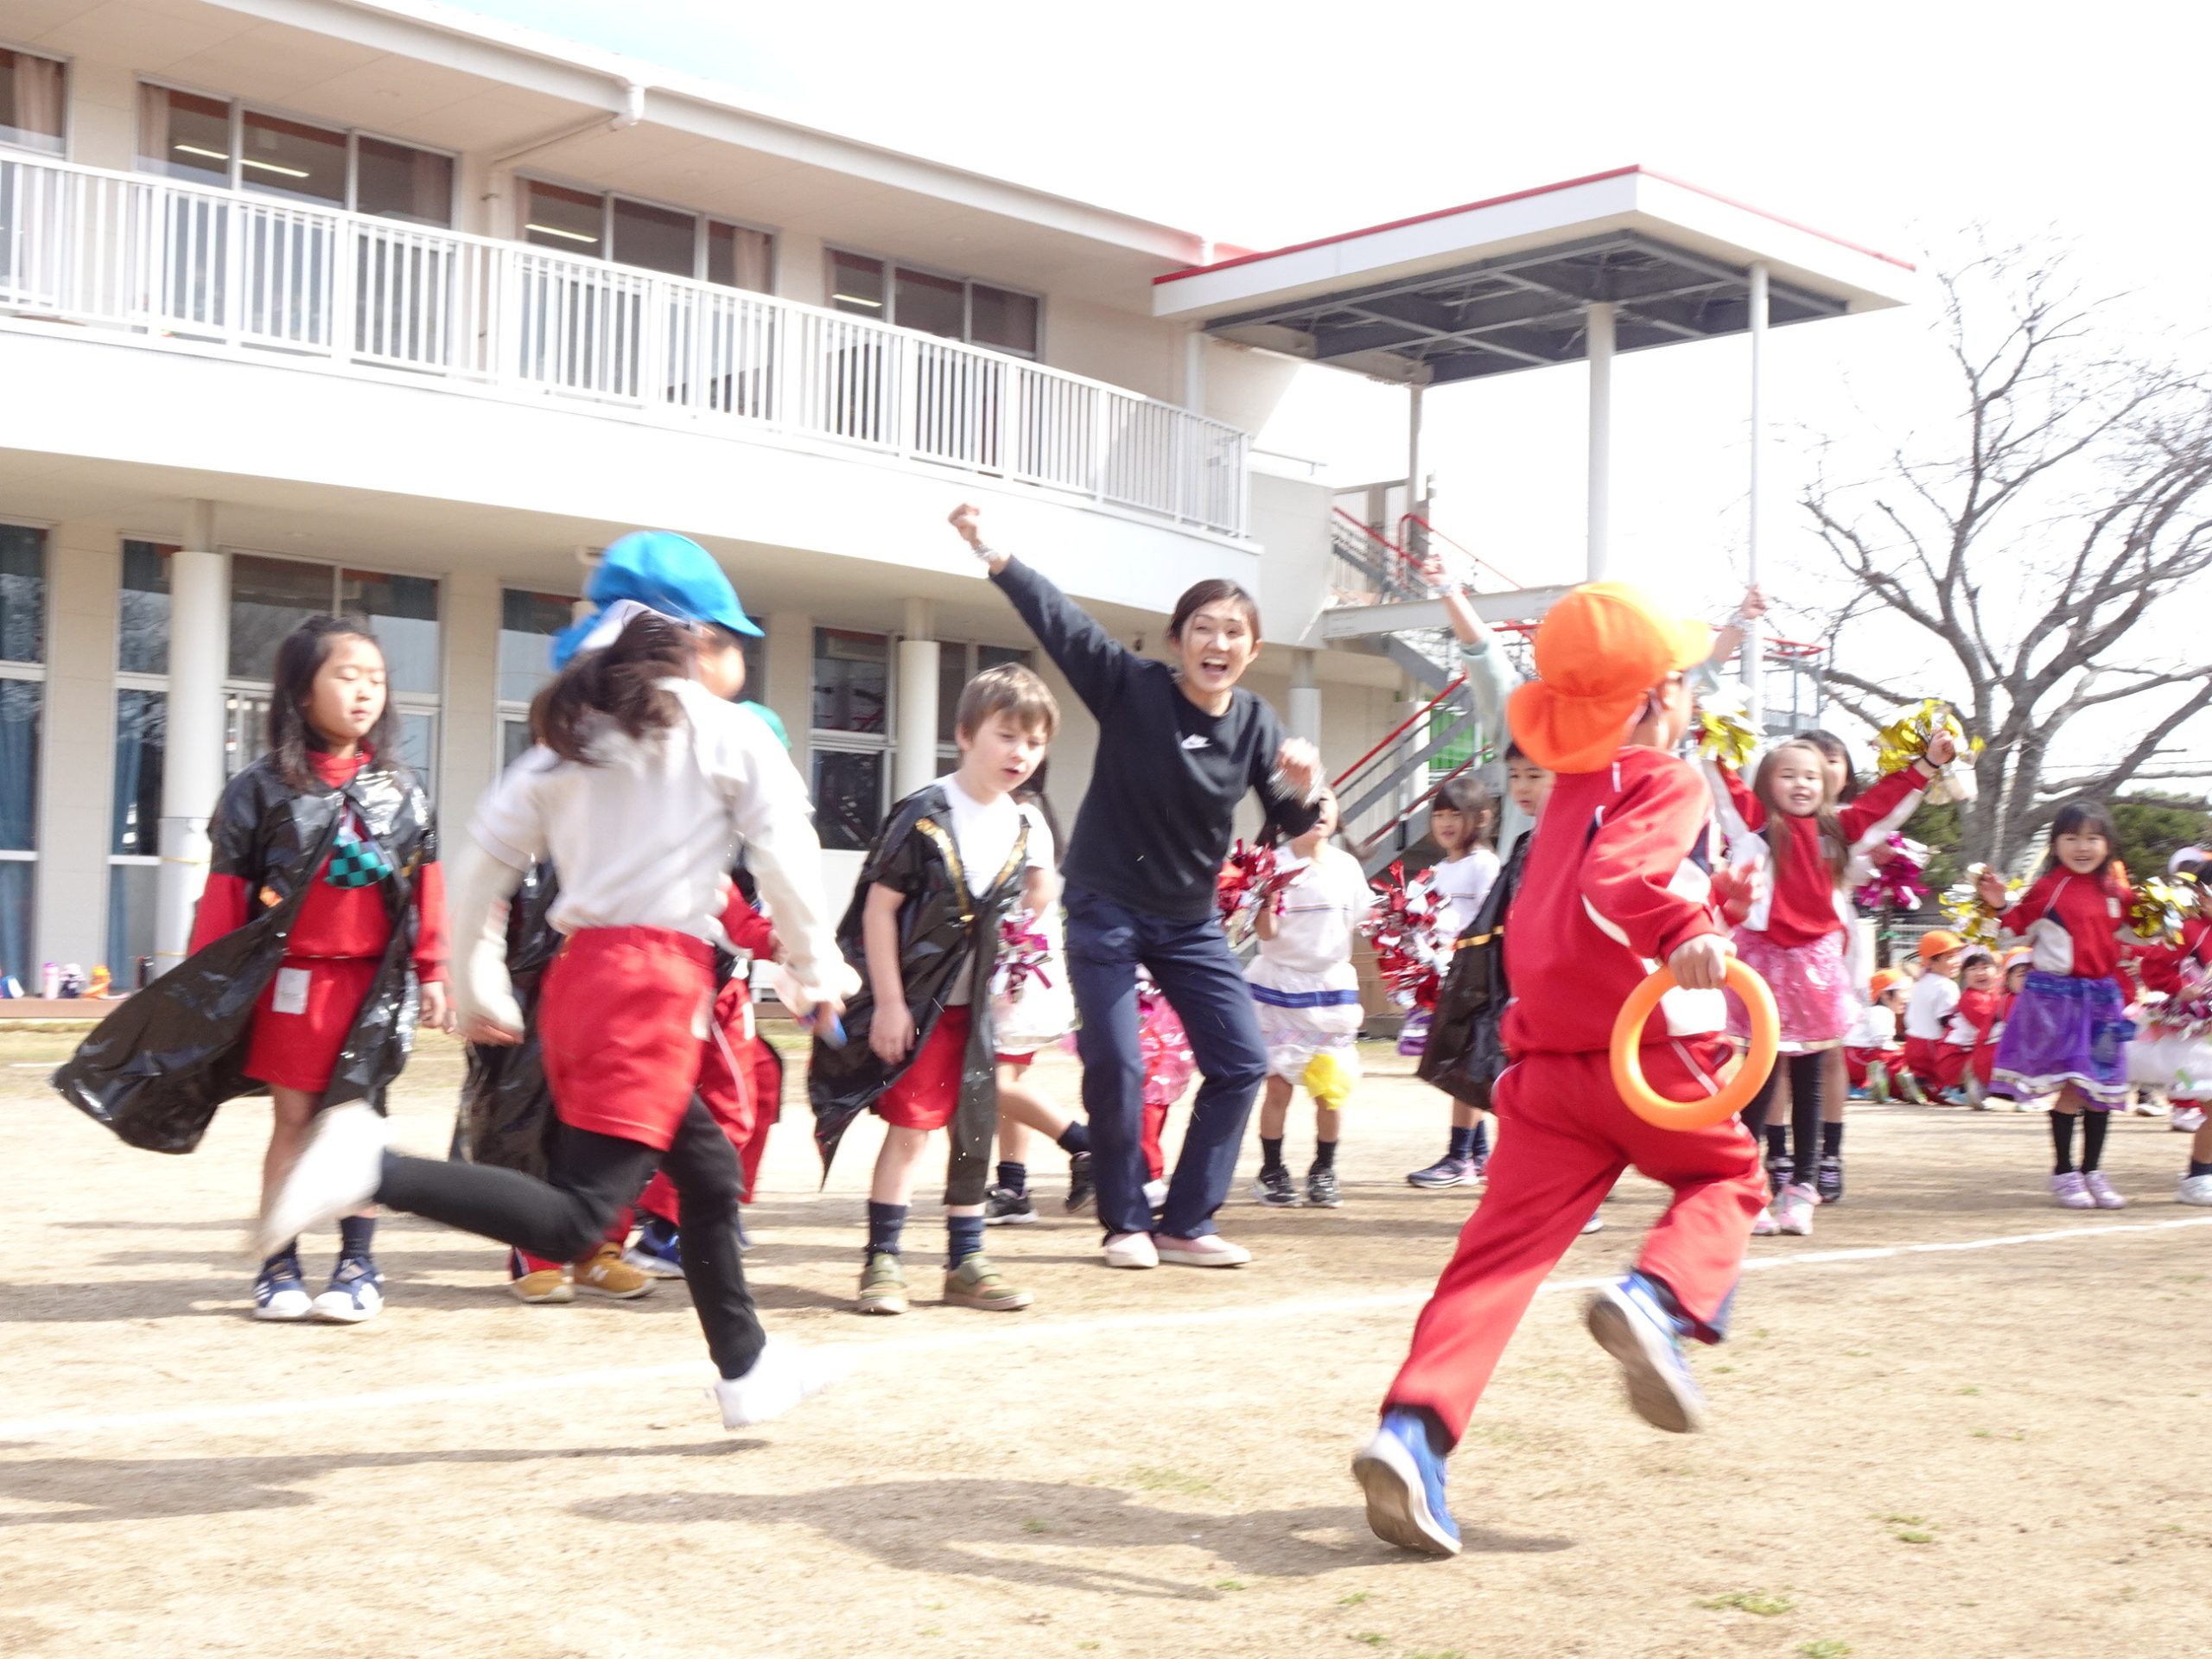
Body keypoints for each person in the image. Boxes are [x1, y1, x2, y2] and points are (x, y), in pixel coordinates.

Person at [258, 531, 854, 1430]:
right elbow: (786, 855)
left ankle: (747, 1370)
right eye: (725, 640)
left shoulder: (562, 742)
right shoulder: (726, 734)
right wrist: (816, 966)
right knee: (578, 1221)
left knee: (705, 1175)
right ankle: (369, 1165)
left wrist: (477, 977)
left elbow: (482, 859)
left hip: (583, 986)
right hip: (651, 993)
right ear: (688, 638)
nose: (733, 659)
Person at [1354, 581, 1764, 1560]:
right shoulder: (1665, 781)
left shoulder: (1567, 781)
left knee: (1491, 1263)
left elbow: (1589, 889)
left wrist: (1715, 907)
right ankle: (1658, 1301)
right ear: (1662, 699)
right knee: (1727, 1177)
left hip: (1544, 1072)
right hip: (1647, 1060)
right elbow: (1619, 881)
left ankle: (1412, 1434)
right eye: (1684, 682)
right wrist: (1687, 924)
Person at [951, 503, 1322, 1271]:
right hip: (1106, 906)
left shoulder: (1255, 722)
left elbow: (1293, 825)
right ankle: (1125, 1221)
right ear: (1178, 639)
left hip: (1189, 922)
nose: (1217, 643)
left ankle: (1186, 1220)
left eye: (1233, 632)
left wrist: (1308, 788)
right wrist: (995, 551)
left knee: (1241, 1060)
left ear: (1251, 651)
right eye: (1204, 628)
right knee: (1118, 1065)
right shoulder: (1130, 686)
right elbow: (1059, 621)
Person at [55, 615, 448, 1325]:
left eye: (376, 680)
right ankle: (279, 1263)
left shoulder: (405, 791)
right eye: (346, 676)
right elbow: (227, 900)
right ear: (301, 693)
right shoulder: (259, 790)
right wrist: (212, 991)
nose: (364, 693)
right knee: (296, 1122)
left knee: (357, 1124)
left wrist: (436, 972)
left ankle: (358, 1265)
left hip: (371, 988)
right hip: (292, 984)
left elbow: (429, 891)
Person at [810, 664, 1059, 1314]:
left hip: (979, 1016)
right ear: (965, 734)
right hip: (921, 1008)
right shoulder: (924, 813)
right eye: (1006, 735)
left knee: (975, 1132)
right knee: (912, 1132)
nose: (1019, 753)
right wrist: (890, 1003)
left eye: (1033, 742)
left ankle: (967, 1263)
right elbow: (877, 909)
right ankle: (883, 1261)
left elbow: (1030, 906)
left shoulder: (1025, 825)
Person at [1713, 734, 1948, 1234]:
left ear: (1827, 785)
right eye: (1788, 774)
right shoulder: (1756, 822)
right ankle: (1744, 1185)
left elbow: (1885, 806)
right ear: (1766, 782)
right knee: (1758, 1076)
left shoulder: (1839, 828)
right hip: (1762, 963)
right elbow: (1720, 781)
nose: (1801, 784)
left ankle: (1802, 1188)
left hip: (1816, 968)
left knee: (1809, 1079)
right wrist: (1707, 735)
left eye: (1812, 776)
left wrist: (1926, 765)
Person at [454, 860, 650, 1304]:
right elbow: (483, 905)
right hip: (530, 991)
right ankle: (535, 1254)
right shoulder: (531, 819)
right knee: (527, 1122)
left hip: (617, 983)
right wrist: (478, 987)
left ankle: (600, 1249)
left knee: (613, 1119)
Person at [1978, 801, 2138, 1208]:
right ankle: (2066, 1172)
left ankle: (2094, 1172)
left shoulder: (2118, 892)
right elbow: (2013, 936)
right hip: (2058, 1001)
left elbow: (2143, 937)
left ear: (2108, 844)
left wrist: (2168, 914)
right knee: (2072, 1085)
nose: (2082, 847)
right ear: (2055, 844)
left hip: (2102, 1001)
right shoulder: (2049, 888)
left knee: (2101, 1089)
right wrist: (1999, 906)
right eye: (2071, 838)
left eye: (2092, 838)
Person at [1247, 787, 1375, 1208]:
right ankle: (1271, 1170)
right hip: (1279, 990)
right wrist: (1265, 898)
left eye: (1325, 803)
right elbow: (1265, 933)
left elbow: (1367, 922)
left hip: (1330, 993)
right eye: (1305, 805)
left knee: (1330, 1090)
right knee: (1278, 1090)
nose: (1318, 812)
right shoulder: (1274, 865)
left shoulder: (1347, 867)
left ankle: (1324, 1170)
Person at [982, 769, 1096, 1226]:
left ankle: (1084, 1144)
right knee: (1007, 1079)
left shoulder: (1021, 815)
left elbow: (1041, 891)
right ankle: (1012, 1186)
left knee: (992, 1083)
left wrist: (1005, 944)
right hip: (1018, 969)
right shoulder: (1027, 813)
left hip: (1015, 970)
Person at [1899, 931, 1968, 1103]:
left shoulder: (1920, 983)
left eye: (1957, 955)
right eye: (1949, 957)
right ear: (1930, 962)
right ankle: (1948, 1091)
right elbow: (1945, 1021)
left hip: (1912, 1043)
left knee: (1927, 1077)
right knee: (1944, 1082)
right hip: (1932, 1044)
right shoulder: (1946, 986)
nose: (1956, 962)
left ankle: (1915, 1082)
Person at [1939, 949, 2005, 1104]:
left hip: (1964, 1057)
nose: (1979, 973)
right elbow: (1987, 1027)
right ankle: (1966, 1090)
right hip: (1956, 1060)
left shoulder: (1994, 995)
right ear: (1964, 976)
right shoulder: (1971, 998)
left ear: (1997, 972)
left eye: (1985, 967)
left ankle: (1965, 1089)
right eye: (1973, 969)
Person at [1842, 969, 1909, 1100]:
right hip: (1858, 1056)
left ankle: (1858, 1088)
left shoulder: (1872, 1011)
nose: (1907, 998)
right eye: (1902, 992)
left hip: (1850, 1057)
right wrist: (1903, 1051)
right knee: (1903, 1057)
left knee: (1893, 1057)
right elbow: (1881, 1042)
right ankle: (1886, 1087)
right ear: (1885, 994)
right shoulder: (1883, 1012)